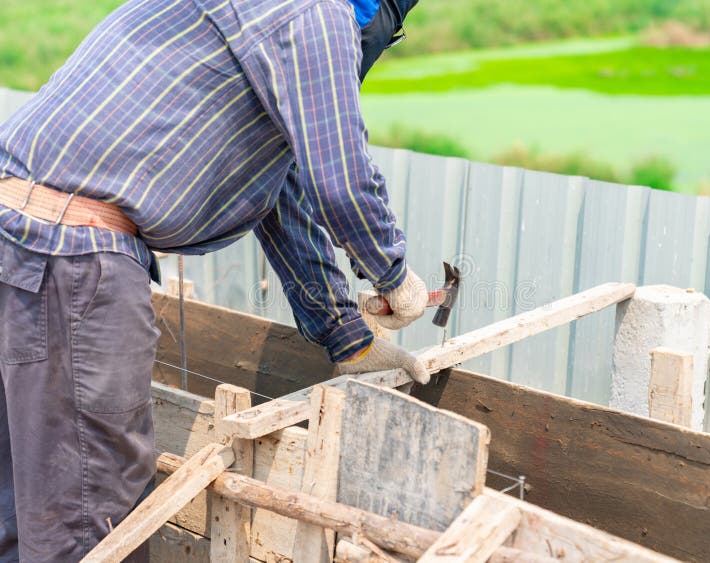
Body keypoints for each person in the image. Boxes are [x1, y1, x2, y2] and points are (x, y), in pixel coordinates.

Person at [0, 0, 426, 559]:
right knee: (92, 525)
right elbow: (339, 180)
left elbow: (281, 193)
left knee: (17, 506)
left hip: (16, 234)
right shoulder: (319, 12)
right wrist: (392, 273)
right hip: (72, 259)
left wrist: (346, 333)